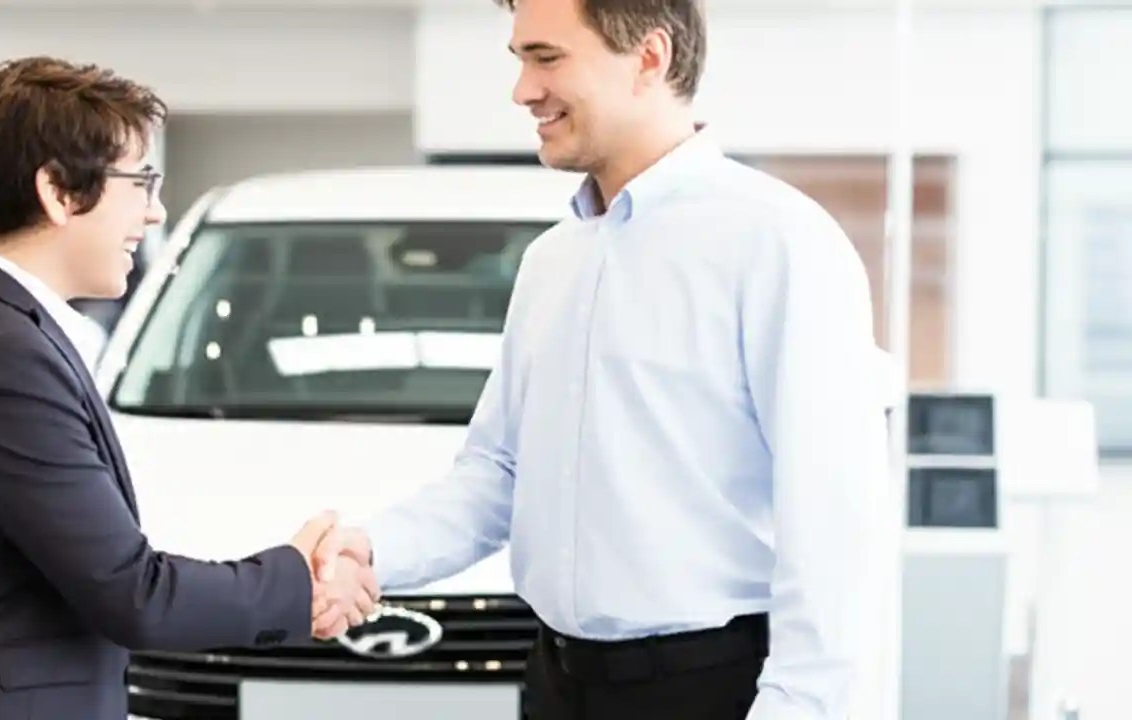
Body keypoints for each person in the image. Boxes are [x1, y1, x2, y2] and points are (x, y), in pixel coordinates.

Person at [312, 0, 889, 717]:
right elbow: (499, 474)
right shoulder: (553, 259)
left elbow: (833, 516)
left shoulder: (778, 242)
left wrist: (796, 707)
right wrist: (375, 550)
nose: (522, 90)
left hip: (711, 688)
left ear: (649, 58)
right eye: (521, 59)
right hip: (556, 680)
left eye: (547, 58)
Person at [0, 56, 378, 720]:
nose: (154, 213)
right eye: (140, 182)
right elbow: (134, 594)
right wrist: (295, 580)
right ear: (59, 191)